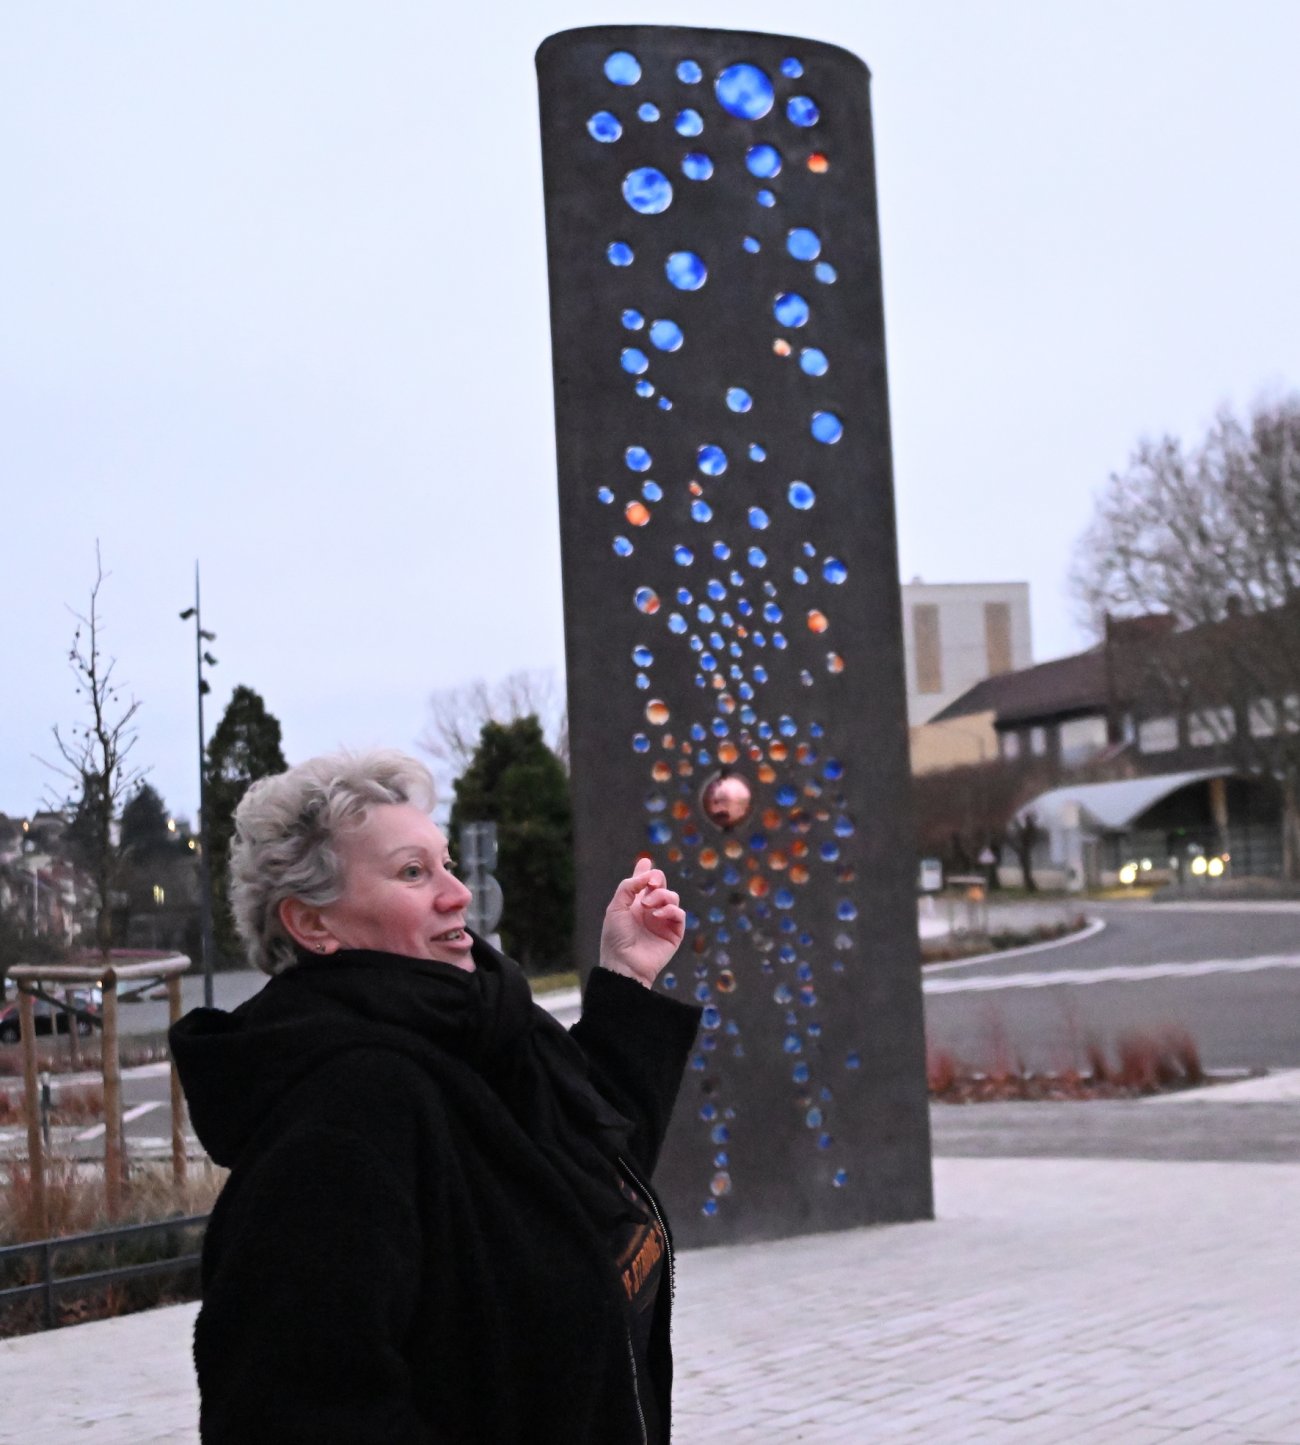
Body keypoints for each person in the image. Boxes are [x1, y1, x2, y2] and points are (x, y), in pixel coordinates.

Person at [170, 749, 700, 1444]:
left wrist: (626, 975)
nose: (458, 893)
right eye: (412, 872)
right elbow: (295, 1410)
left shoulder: (477, 1031)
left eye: (446, 863)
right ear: (313, 923)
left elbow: (581, 1175)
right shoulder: (346, 1114)